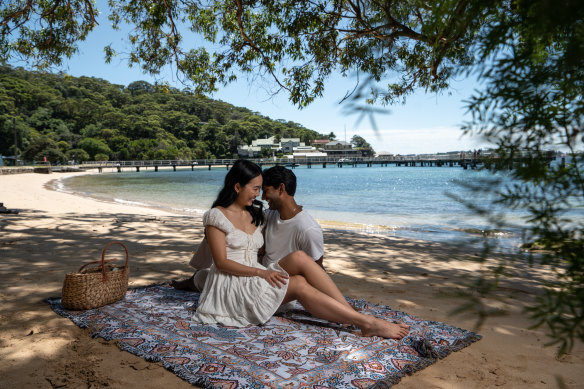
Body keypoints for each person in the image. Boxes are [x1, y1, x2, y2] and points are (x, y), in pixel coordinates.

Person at [193, 159, 410, 339]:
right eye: (255, 189)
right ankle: (366, 323)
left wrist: (297, 214)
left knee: (299, 257)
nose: (259, 195)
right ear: (238, 187)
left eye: (261, 189)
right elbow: (220, 262)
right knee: (298, 284)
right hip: (234, 285)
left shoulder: (257, 215)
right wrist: (263, 272)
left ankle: (350, 312)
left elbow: (288, 216)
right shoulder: (216, 216)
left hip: (255, 276)